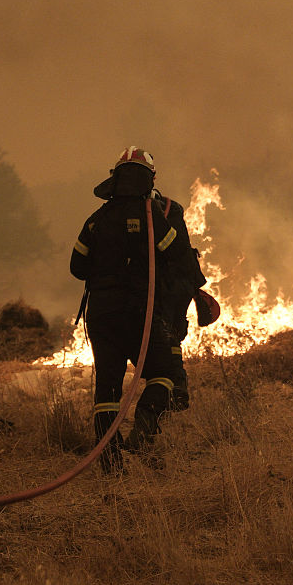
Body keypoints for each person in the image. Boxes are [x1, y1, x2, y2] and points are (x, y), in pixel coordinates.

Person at [73, 147, 193, 472]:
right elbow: (176, 253)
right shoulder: (151, 214)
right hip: (138, 312)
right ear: (150, 179)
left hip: (100, 315)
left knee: (108, 388)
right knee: (165, 373)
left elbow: (77, 266)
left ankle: (112, 467)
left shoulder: (96, 220)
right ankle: (144, 427)